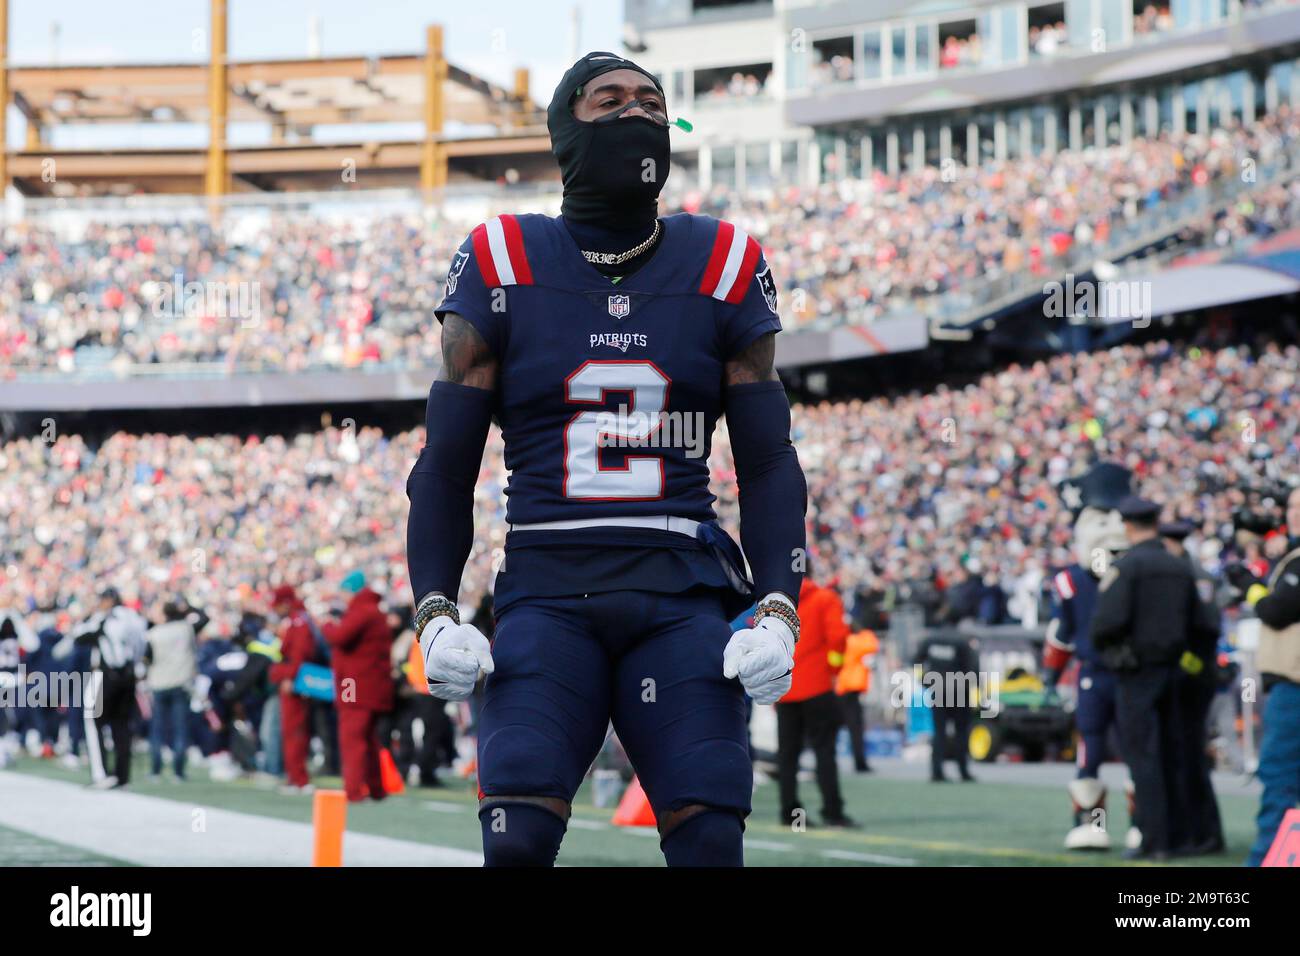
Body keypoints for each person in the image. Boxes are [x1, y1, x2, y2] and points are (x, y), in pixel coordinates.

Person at [407, 51, 807, 867]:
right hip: (548, 591)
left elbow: (768, 461)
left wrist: (778, 606)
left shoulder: (724, 259)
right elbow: (447, 464)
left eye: (652, 104)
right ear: (566, 128)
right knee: (514, 835)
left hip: (682, 594)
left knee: (710, 835)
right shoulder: (503, 258)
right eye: (610, 100)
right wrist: (435, 609)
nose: (636, 116)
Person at [1090, 496, 1218, 861]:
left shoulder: (1128, 567)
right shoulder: (1180, 568)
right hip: (1177, 672)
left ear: (1129, 526)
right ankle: (1182, 837)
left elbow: (1105, 624)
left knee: (1143, 757)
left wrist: (1117, 654)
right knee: (1174, 753)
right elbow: (1201, 625)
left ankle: (1154, 839)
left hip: (1139, 673)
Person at [1043, 463, 1132, 851]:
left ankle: (1142, 823)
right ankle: (1093, 824)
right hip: (1095, 673)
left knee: (1133, 749)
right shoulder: (1070, 581)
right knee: (1091, 749)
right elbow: (1061, 633)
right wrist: (1051, 673)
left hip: (1130, 673)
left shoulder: (1136, 571)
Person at [1160, 519, 1225, 856]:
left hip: (1192, 678)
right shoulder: (1187, 572)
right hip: (1188, 674)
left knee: (1190, 756)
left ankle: (1203, 834)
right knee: (1184, 756)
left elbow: (1205, 627)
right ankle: (1193, 831)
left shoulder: (1194, 575)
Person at [1245, 486, 1300, 866]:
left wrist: (1252, 591)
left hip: (1294, 685)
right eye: (1293, 505)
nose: (1294, 512)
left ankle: (1268, 860)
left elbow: (1275, 610)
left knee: (1278, 777)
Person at [775, 574, 855, 828]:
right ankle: (832, 812)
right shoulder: (825, 598)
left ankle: (790, 813)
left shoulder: (776, 603)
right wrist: (833, 670)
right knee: (824, 751)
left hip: (785, 688)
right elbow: (838, 638)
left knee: (788, 756)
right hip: (817, 688)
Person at [323, 571, 394, 802]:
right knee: (368, 740)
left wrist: (327, 626)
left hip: (355, 684)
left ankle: (353, 791)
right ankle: (376, 789)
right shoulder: (374, 611)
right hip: (368, 684)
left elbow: (339, 637)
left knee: (351, 738)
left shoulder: (361, 611)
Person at [67, 589, 148, 788]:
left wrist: (89, 615)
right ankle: (122, 776)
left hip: (105, 675)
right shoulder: (135, 618)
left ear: (108, 600)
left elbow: (78, 635)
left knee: (93, 721)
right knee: (121, 725)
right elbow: (143, 646)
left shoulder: (104, 618)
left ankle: (101, 774)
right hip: (130, 676)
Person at [143, 600, 206, 781]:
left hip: (159, 683)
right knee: (180, 729)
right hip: (181, 683)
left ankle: (156, 770)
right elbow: (204, 618)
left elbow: (146, 659)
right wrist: (188, 606)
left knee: (158, 729)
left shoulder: (153, 633)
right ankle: (178, 771)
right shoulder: (186, 629)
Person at [266, 585, 317, 793]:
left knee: (294, 731)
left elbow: (299, 655)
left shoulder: (298, 623)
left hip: (295, 684)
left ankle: (299, 779)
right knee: (292, 731)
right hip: (293, 680)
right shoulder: (297, 621)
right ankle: (294, 776)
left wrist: (289, 677)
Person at [914, 629, 979, 784]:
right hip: (959, 690)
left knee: (939, 732)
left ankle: (937, 771)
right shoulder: (962, 641)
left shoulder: (930, 639)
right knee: (961, 733)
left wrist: (924, 680)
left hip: (938, 688)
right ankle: (963, 771)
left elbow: (916, 660)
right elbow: (973, 667)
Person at [836, 626, 880, 773]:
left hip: (840, 688)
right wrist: (865, 631)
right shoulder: (855, 641)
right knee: (856, 729)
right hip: (848, 689)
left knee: (832, 730)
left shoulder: (844, 641)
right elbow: (872, 645)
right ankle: (860, 763)